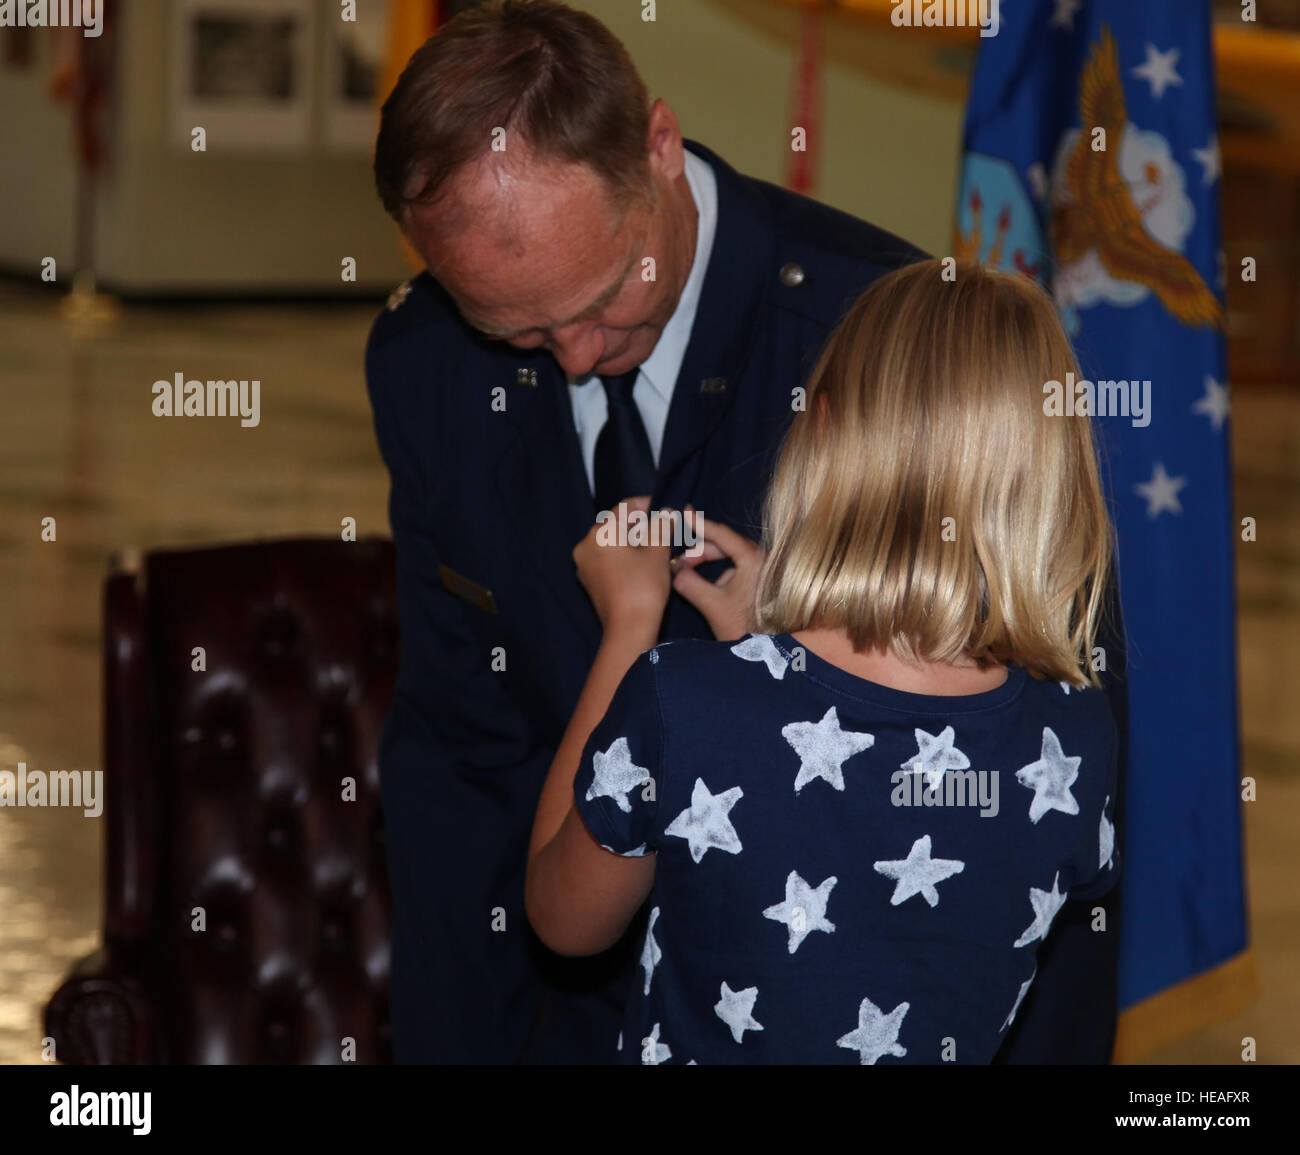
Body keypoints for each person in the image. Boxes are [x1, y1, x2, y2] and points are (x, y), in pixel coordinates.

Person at [366, 0, 1120, 1064]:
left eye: (603, 297)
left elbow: (1040, 759)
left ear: (658, 151)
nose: (573, 361)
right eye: (518, 331)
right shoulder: (424, 363)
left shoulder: (887, 354)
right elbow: (457, 745)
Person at [525, 259, 1121, 1064]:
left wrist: (631, 624)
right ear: (1053, 474)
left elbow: (564, 919)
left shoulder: (686, 699)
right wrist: (774, 641)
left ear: (827, 428)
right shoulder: (1073, 740)